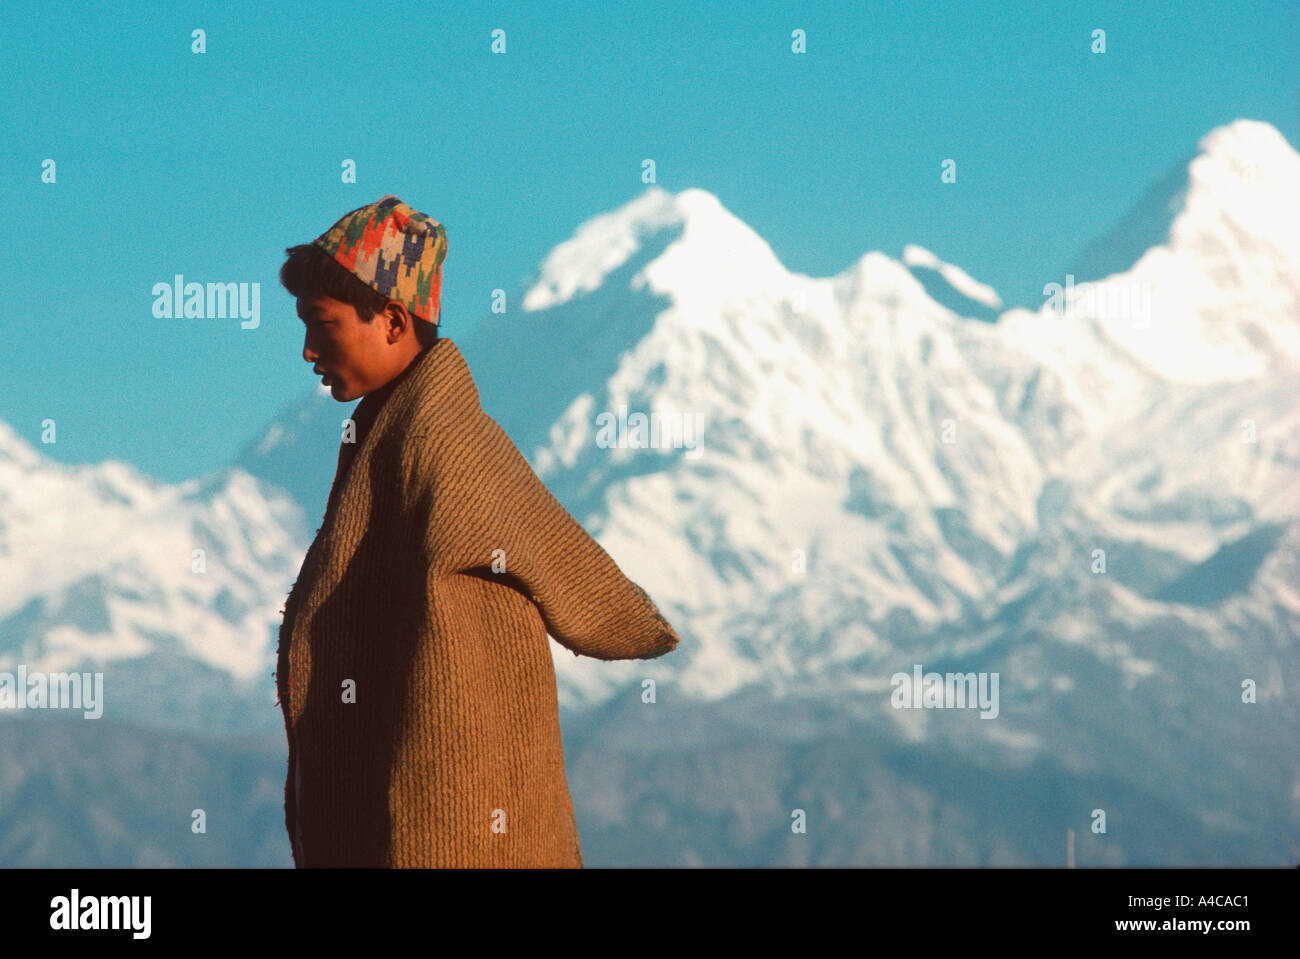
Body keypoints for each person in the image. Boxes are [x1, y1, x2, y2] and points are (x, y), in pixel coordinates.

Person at [273, 196, 680, 867]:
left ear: (394, 319)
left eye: (323, 325)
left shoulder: (442, 444)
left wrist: (634, 622)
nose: (310, 350)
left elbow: (570, 567)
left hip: (454, 819)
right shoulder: (395, 436)